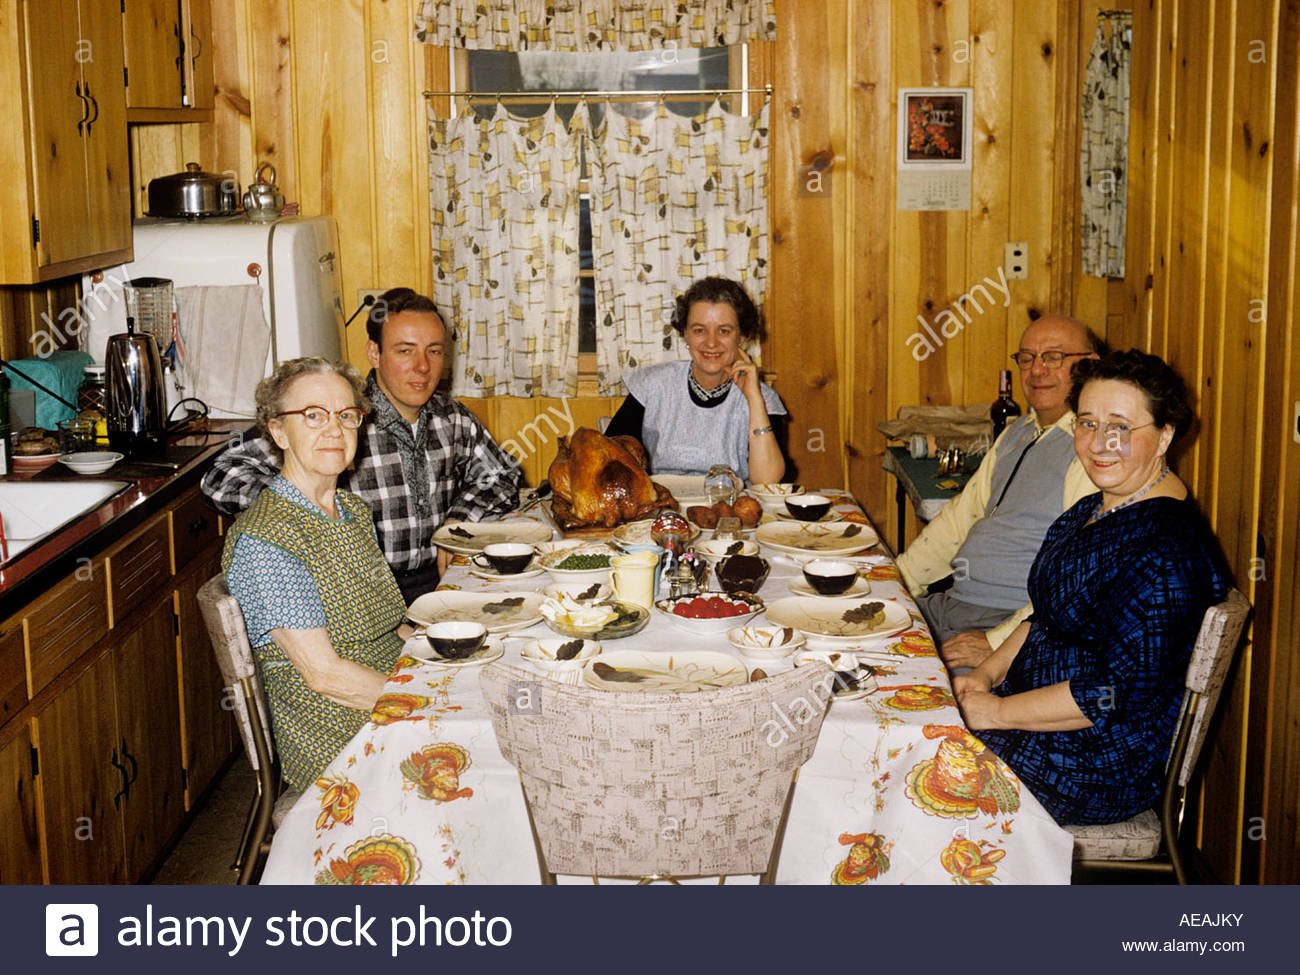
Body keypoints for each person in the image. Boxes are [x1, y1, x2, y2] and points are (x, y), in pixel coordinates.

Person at [954, 350, 1230, 825]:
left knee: (911, 760)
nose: (1100, 443)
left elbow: (1111, 693)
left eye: (1121, 427)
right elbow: (1045, 618)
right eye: (1086, 423)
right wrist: (987, 674)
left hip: (1098, 760)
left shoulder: (1166, 551)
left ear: (1164, 435)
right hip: (1034, 715)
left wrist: (995, 713)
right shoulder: (1095, 508)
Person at [203, 288, 522, 602]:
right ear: (374, 353)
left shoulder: (451, 417)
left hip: (442, 579)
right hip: (357, 593)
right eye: (405, 351)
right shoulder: (342, 415)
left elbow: (503, 474)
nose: (423, 366)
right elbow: (220, 474)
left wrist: (459, 523)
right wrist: (297, 505)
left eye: (434, 351)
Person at [222, 358, 413, 791]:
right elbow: (324, 675)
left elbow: (391, 626)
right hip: (337, 735)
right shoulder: (266, 540)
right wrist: (426, 702)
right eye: (313, 415)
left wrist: (441, 662)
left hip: (386, 692)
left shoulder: (350, 510)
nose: (335, 429)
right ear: (277, 431)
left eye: (347, 416)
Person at [897, 315, 1107, 670]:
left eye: (1053, 357)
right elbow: (959, 521)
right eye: (1026, 358)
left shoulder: (1092, 450)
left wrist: (999, 642)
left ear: (1090, 365)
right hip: (953, 604)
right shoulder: (1017, 433)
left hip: (1004, 623)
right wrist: (898, 583)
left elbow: (1074, 577)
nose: (1037, 370)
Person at [604, 277, 788, 483]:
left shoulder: (764, 398)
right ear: (685, 334)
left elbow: (767, 483)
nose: (711, 342)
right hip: (661, 507)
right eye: (699, 330)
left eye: (724, 331)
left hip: (730, 510)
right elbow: (609, 459)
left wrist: (754, 399)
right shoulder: (653, 385)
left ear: (742, 336)